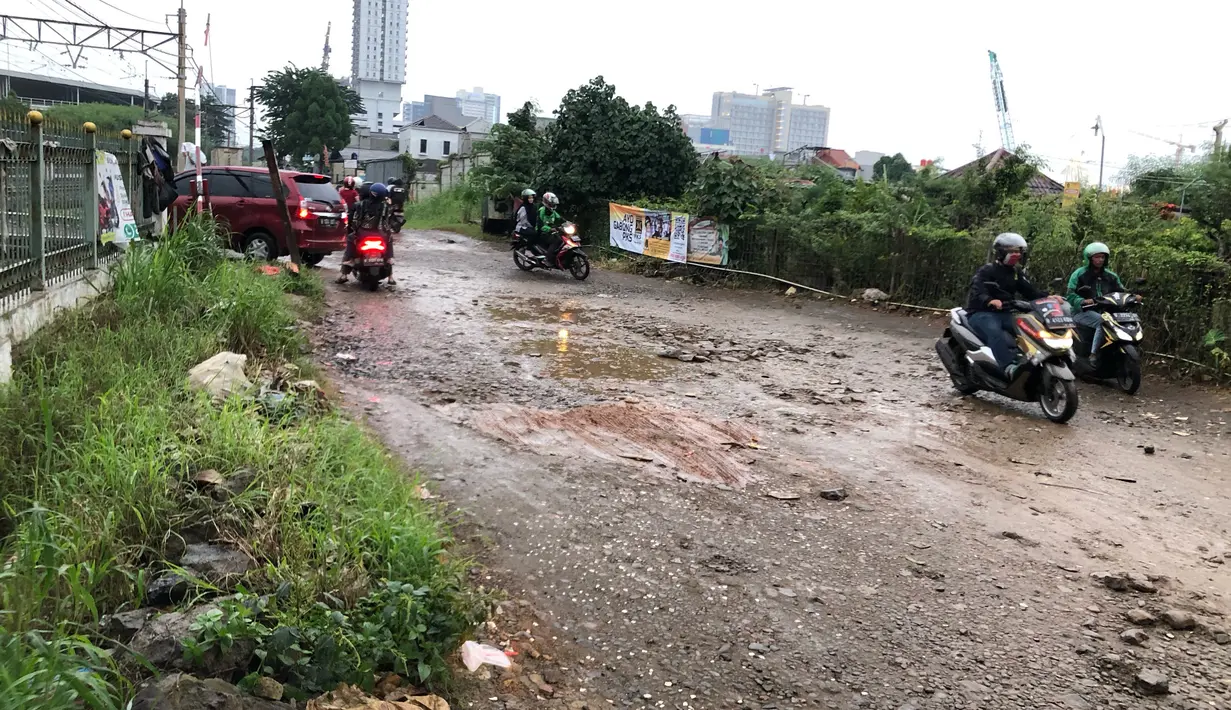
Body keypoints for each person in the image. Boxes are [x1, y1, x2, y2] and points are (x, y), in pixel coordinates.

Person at [964, 232, 1045, 377]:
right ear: (1001, 252)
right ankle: (1007, 366)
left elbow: (1030, 291)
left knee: (1030, 328)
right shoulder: (987, 270)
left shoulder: (1015, 272)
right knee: (995, 332)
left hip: (1005, 313)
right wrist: (990, 300)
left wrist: (1049, 297)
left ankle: (1033, 360)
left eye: (1018, 251)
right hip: (980, 313)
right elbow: (977, 288)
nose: (1015, 254)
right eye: (1011, 251)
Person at [1066, 241, 1126, 365]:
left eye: (1102, 257)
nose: (1100, 260)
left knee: (1117, 320)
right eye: (1096, 257)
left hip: (1105, 311)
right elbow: (1070, 294)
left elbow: (1121, 291)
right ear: (1089, 258)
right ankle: (1093, 354)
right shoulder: (1079, 274)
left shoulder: (1111, 276)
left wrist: (1132, 296)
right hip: (1082, 312)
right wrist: (1081, 301)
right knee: (1103, 322)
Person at [338, 182, 396, 286]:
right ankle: (390, 274)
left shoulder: (359, 205)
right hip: (381, 235)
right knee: (389, 241)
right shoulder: (386, 207)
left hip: (363, 234)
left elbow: (353, 221)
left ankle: (345, 272)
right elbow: (389, 222)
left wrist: (351, 229)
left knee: (351, 239)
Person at [537, 191, 566, 263]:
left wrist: (568, 223)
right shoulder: (541, 211)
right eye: (551, 203)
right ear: (547, 202)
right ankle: (547, 259)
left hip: (550, 231)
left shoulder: (552, 211)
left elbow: (560, 219)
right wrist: (550, 229)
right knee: (557, 241)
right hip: (542, 232)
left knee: (564, 237)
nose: (553, 205)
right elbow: (540, 225)